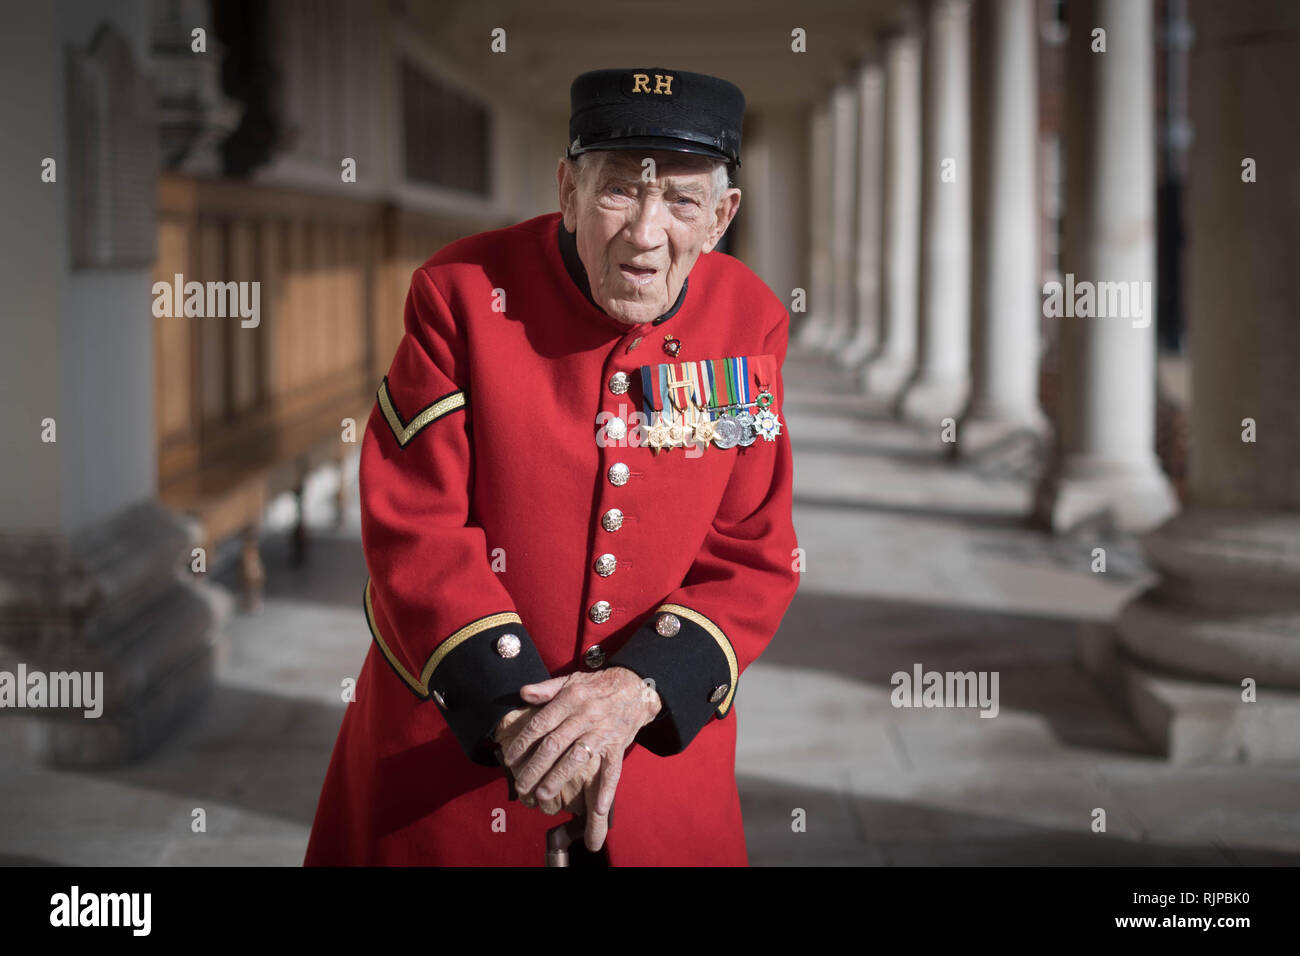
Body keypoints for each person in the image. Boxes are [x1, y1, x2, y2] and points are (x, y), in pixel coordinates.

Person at [304, 67, 799, 866]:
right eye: (616, 192)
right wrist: (518, 718)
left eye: (679, 200)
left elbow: (754, 554)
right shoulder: (459, 295)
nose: (645, 232)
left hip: (655, 764)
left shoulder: (752, 320)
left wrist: (635, 693)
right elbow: (415, 523)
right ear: (568, 189)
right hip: (455, 753)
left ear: (720, 218)